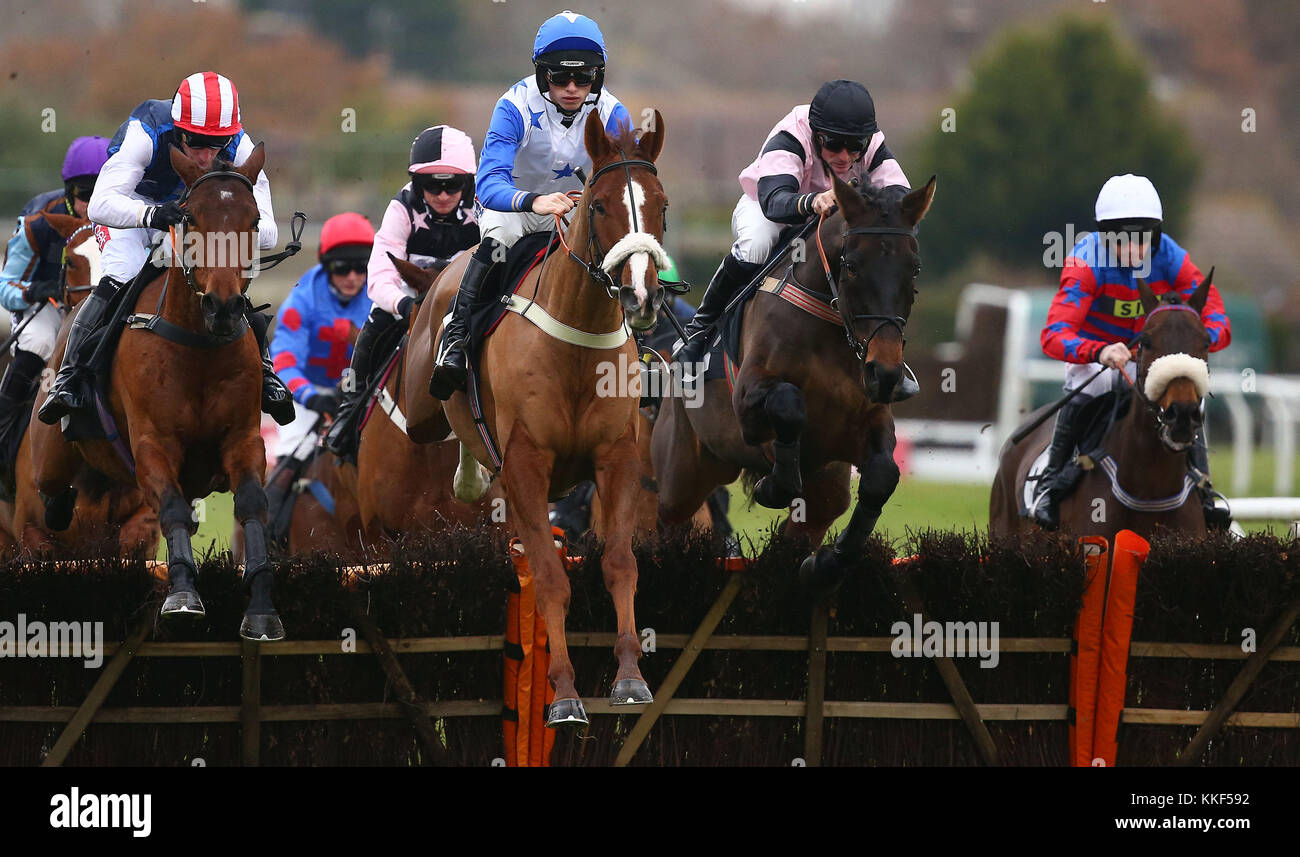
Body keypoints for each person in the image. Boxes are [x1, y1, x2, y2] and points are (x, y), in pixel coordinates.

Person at [37, 71, 293, 427]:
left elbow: (267, 232)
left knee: (221, 281)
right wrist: (153, 214)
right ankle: (71, 375)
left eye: (217, 144)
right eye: (197, 143)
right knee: (121, 276)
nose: (207, 156)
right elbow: (100, 204)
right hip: (129, 211)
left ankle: (265, 371)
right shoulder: (146, 131)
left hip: (189, 219)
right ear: (178, 129)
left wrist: (227, 226)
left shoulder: (241, 144)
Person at [427, 9, 633, 400]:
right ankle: (456, 335)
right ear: (542, 75)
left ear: (597, 76)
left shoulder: (614, 113)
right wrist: (534, 202)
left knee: (620, 239)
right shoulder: (514, 106)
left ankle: (638, 332)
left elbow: (626, 182)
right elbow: (487, 184)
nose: (572, 87)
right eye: (559, 76)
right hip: (515, 208)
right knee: (501, 236)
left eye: (584, 76)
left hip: (575, 209)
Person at [674, 79, 916, 399]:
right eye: (834, 145)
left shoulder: (871, 142)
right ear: (817, 135)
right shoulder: (792, 135)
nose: (845, 156)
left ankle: (889, 357)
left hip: (832, 215)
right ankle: (697, 334)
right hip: (768, 206)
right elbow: (774, 200)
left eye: (854, 147)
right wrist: (810, 202)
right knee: (756, 246)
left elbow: (900, 196)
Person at [1033, 173, 1232, 530]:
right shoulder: (1085, 263)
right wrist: (1099, 351)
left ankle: (1203, 486)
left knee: (1191, 395)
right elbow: (1053, 336)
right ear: (1105, 235)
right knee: (1090, 389)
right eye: (1122, 239)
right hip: (1102, 361)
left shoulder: (1171, 255)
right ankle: (1050, 485)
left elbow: (1215, 315)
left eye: (1142, 238)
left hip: (1151, 360)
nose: (1133, 249)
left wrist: (1198, 341)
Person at [325, 125, 479, 458]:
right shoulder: (402, 207)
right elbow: (378, 277)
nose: (441, 196)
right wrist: (404, 304)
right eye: (430, 186)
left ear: (467, 183)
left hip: (469, 299)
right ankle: (349, 411)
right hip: (413, 298)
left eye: (451, 186)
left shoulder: (484, 207)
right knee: (375, 323)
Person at [0, 136, 110, 484]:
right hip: (50, 305)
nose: (92, 207)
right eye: (84, 196)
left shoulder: (124, 216)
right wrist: (37, 289)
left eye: (101, 194)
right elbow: (6, 285)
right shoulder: (37, 220)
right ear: (67, 193)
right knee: (39, 345)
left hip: (105, 303)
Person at [269, 212, 375, 461]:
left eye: (361, 268)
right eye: (342, 268)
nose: (352, 277)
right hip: (311, 391)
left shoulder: (381, 294)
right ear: (327, 266)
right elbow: (284, 362)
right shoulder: (301, 302)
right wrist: (311, 397)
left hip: (364, 388)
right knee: (293, 456)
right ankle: (279, 498)